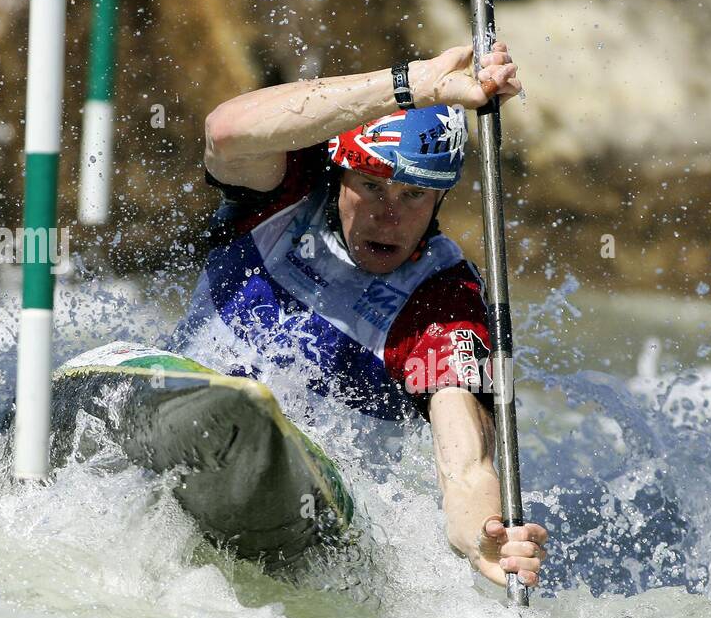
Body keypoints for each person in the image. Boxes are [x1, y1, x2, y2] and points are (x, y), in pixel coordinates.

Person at [171, 42, 549, 590]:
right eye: (371, 186)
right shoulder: (283, 190)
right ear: (340, 173)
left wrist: (481, 539)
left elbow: (465, 459)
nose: (388, 215)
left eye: (414, 194)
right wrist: (413, 84)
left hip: (306, 513)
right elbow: (225, 131)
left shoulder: (441, 303)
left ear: (440, 199)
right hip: (186, 410)